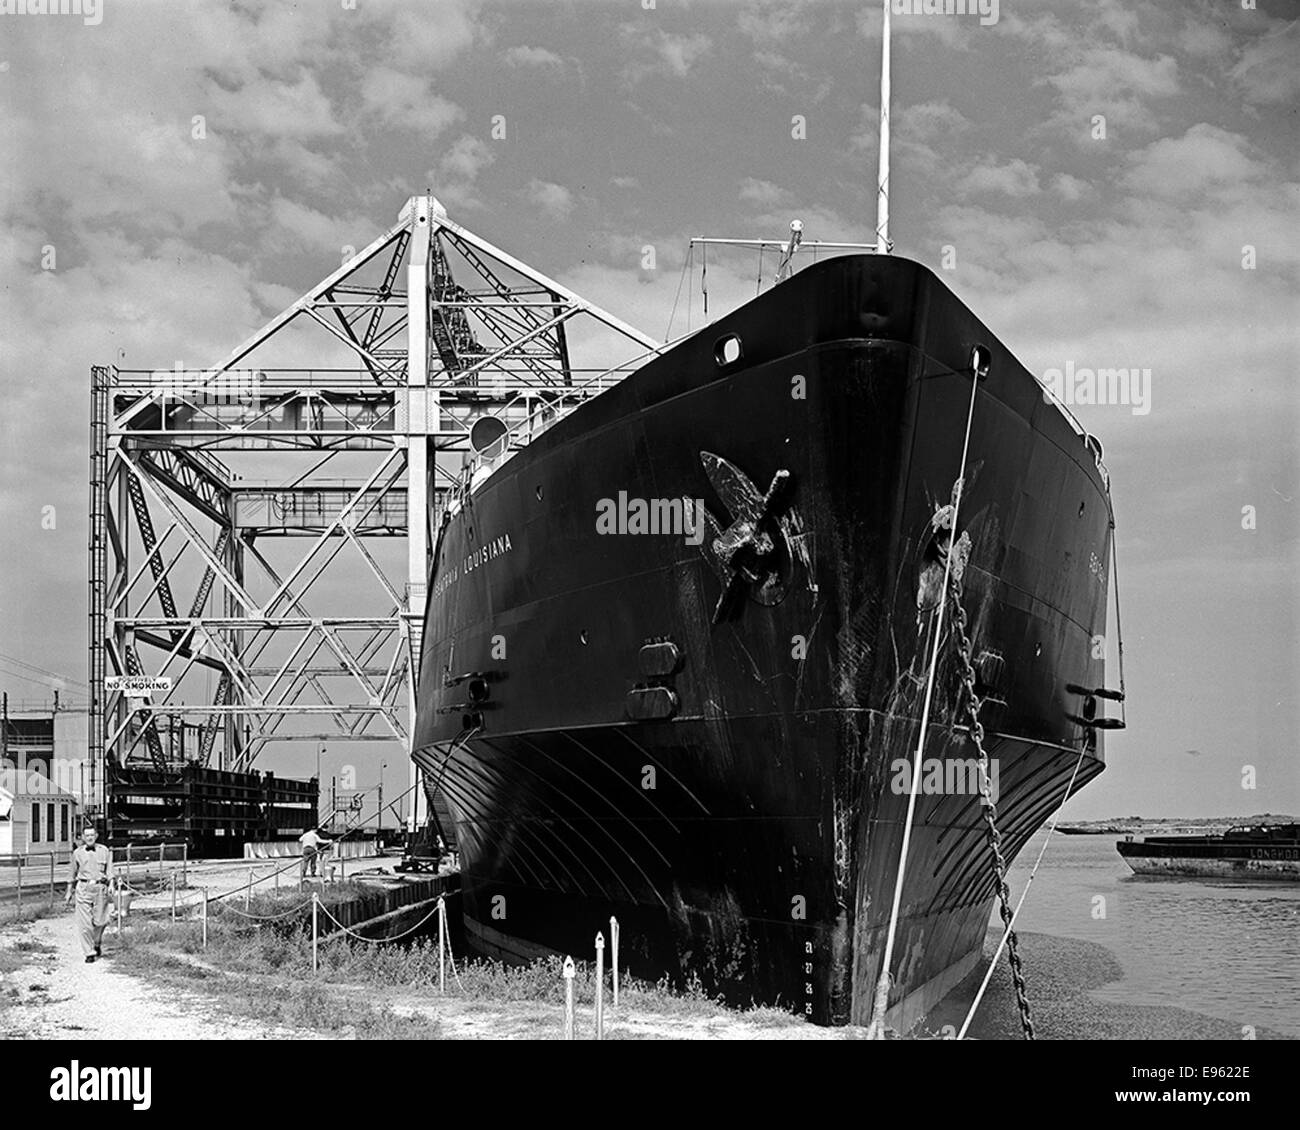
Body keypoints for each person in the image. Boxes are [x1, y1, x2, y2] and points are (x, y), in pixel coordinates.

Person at [65, 825, 114, 963]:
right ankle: (89, 952)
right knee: (85, 924)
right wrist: (69, 891)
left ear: (96, 836)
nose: (90, 838)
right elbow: (72, 873)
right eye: (87, 835)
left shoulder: (104, 850)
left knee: (101, 921)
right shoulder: (77, 853)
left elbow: (110, 870)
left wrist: (111, 884)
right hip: (83, 888)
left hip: (100, 888)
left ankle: (97, 942)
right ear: (83, 837)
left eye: (92, 835)